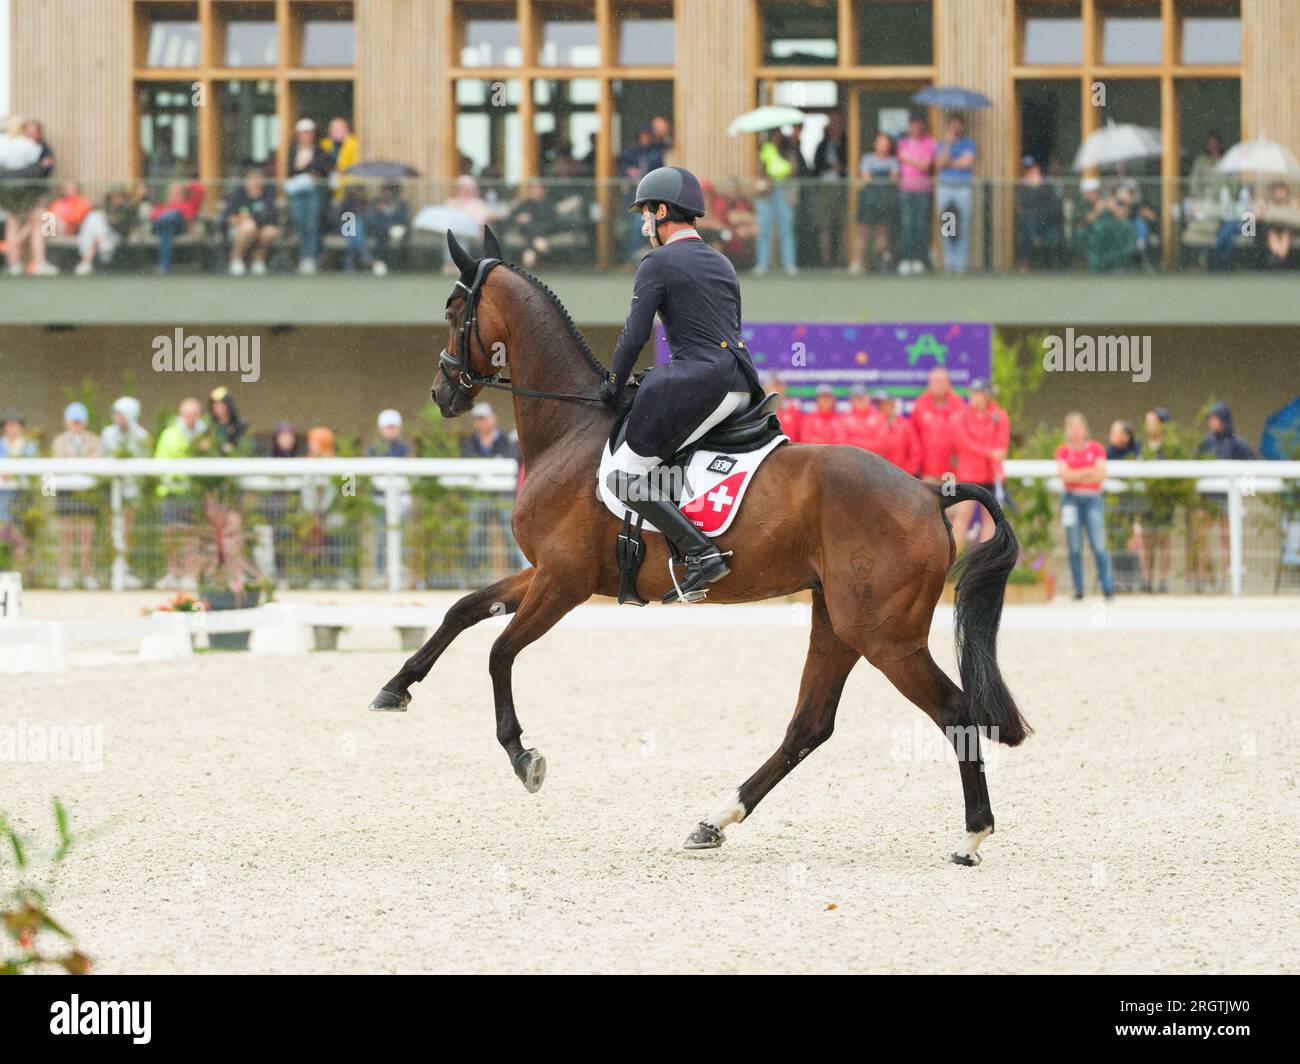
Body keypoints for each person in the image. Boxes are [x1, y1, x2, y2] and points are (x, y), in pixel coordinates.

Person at [600, 165, 763, 603]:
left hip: (701, 381)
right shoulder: (721, 262)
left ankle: (701, 554)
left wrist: (613, 385)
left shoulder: (657, 262)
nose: (642, 223)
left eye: (645, 214)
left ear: (662, 210)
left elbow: (634, 335)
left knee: (622, 474)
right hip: (743, 382)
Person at [1055, 412, 1114, 600]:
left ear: (1085, 429)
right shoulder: (1063, 451)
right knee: (1074, 546)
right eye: (1071, 428)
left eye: (1078, 427)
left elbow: (1101, 474)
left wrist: (1077, 473)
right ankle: (1078, 589)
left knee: (1098, 544)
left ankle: (1107, 587)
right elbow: (1065, 476)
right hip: (1070, 500)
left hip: (1092, 499)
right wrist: (1088, 471)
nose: (1075, 432)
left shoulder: (1096, 449)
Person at [153, 398, 205, 590]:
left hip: (194, 493)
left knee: (192, 535)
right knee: (172, 534)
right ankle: (173, 572)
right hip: (172, 492)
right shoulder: (169, 435)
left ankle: (191, 574)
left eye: (193, 414)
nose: (190, 418)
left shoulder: (205, 434)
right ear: (181, 414)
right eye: (187, 414)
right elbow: (160, 460)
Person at [100, 396, 152, 589]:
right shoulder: (107, 434)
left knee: (127, 531)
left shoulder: (141, 436)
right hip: (111, 491)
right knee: (112, 530)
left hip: (131, 492)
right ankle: (113, 570)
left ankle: (125, 569)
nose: (117, 417)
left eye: (121, 414)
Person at [951, 379, 1009, 549]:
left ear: (986, 396)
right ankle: (952, 563)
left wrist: (990, 453)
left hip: (991, 475)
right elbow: (963, 443)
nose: (973, 396)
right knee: (961, 518)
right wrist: (989, 452)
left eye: (976, 393)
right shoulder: (961, 416)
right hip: (967, 474)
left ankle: (982, 564)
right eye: (972, 392)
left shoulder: (999, 415)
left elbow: (1001, 448)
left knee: (990, 520)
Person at [51, 402, 103, 590]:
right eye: (73, 421)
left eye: (79, 421)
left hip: (87, 492)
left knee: (86, 536)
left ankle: (87, 573)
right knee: (66, 535)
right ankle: (65, 574)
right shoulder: (59, 441)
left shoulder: (94, 440)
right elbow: (60, 462)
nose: (76, 425)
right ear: (66, 422)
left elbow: (96, 462)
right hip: (66, 491)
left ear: (85, 422)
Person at [367, 408, 412, 586]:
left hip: (401, 500)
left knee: (401, 537)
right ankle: (381, 574)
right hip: (380, 500)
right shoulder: (374, 448)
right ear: (381, 429)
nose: (391, 430)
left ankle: (398, 571)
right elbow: (372, 476)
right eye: (388, 427)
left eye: (393, 427)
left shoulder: (404, 449)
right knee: (380, 538)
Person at [286, 117, 333, 274]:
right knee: (300, 223)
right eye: (303, 133)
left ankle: (309, 258)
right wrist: (305, 168)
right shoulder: (293, 150)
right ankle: (302, 256)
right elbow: (291, 171)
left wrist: (311, 170)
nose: (306, 136)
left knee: (312, 224)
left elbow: (324, 169)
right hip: (297, 193)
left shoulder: (320, 150)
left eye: (308, 133)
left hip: (313, 192)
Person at [851, 132, 899, 274]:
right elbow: (866, 178)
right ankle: (856, 263)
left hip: (885, 201)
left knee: (882, 232)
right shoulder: (867, 159)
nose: (884, 146)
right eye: (881, 142)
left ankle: (878, 263)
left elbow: (894, 179)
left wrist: (880, 181)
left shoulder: (893, 161)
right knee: (862, 233)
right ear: (875, 144)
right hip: (869, 200)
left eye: (886, 143)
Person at [934, 114, 976, 273]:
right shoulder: (942, 144)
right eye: (953, 124)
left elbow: (965, 164)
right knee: (947, 225)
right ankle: (949, 263)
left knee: (963, 225)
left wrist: (949, 163)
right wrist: (947, 146)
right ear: (948, 126)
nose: (956, 127)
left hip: (963, 188)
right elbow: (939, 164)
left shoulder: (969, 144)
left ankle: (960, 264)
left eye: (959, 124)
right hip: (945, 188)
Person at [909, 366, 965, 482]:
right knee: (929, 500)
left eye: (941, 381)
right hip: (928, 471)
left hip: (952, 471)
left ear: (948, 383)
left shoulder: (958, 404)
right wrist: (916, 464)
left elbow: (964, 435)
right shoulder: (920, 404)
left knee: (951, 499)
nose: (938, 385)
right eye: (934, 382)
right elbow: (913, 437)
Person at [896, 113, 936, 275]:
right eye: (913, 124)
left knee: (921, 226)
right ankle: (907, 259)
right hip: (906, 190)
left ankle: (920, 259)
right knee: (907, 226)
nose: (916, 127)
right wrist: (916, 160)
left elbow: (925, 166)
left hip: (923, 191)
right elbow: (904, 158)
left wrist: (910, 159)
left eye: (919, 124)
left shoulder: (930, 143)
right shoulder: (903, 142)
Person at [754, 129, 798, 276]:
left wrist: (780, 171)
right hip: (767, 194)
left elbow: (793, 170)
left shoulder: (788, 153)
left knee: (786, 229)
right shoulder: (763, 152)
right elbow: (759, 172)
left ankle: (789, 263)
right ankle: (762, 263)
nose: (776, 139)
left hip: (784, 192)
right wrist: (767, 177)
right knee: (764, 229)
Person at [225, 167, 280, 276]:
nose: (256, 181)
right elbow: (228, 218)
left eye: (259, 178)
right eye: (252, 179)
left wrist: (257, 221)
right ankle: (236, 260)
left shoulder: (268, 194)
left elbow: (273, 217)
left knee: (270, 231)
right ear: (246, 180)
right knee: (249, 227)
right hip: (239, 230)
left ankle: (258, 261)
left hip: (262, 227)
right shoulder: (238, 194)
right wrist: (243, 219)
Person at [810, 113, 848, 267]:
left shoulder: (846, 142)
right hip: (825, 188)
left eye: (837, 122)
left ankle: (842, 259)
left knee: (842, 224)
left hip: (842, 187)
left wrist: (842, 167)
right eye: (832, 123)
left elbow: (848, 162)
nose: (835, 126)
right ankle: (826, 260)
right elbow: (816, 167)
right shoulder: (822, 144)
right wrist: (829, 166)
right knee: (824, 225)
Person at [0, 409, 37, 567]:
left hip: (22, 494)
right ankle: (19, 544)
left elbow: (33, 469)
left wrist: (13, 474)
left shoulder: (29, 446)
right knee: (5, 524)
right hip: (2, 493)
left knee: (13, 525)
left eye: (15, 425)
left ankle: (21, 562)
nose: (12, 428)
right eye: (9, 425)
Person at [75, 187, 138, 275]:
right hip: (103, 237)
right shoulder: (107, 207)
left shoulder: (127, 209)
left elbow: (125, 228)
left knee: (95, 220)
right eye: (114, 197)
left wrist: (111, 220)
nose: (116, 199)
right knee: (93, 217)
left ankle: (86, 262)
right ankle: (100, 245)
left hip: (118, 235)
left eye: (120, 197)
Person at [1015, 156, 1062, 271]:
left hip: (1044, 219)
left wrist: (1038, 188)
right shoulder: (1022, 186)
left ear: (1037, 169)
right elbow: (1024, 203)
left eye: (1031, 169)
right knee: (1027, 220)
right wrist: (1031, 188)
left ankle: (1035, 238)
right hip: (1030, 217)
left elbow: (1051, 205)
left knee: (1031, 220)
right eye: (1026, 169)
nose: (1029, 172)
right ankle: (1035, 238)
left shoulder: (1046, 185)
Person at [149, 180, 205, 274]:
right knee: (167, 226)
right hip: (162, 227)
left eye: (175, 192)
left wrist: (186, 183)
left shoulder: (188, 205)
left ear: (182, 194)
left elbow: (199, 189)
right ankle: (164, 266)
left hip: (179, 227)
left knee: (171, 218)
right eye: (171, 192)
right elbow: (152, 216)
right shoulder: (164, 206)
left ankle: (163, 266)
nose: (172, 194)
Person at [871, 391, 920, 475]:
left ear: (893, 404)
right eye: (878, 405)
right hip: (880, 476)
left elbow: (915, 451)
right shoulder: (873, 425)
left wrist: (907, 472)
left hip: (903, 475)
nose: (881, 407)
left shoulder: (905, 425)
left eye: (885, 404)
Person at [841, 384, 886, 452]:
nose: (859, 400)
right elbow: (843, 445)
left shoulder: (880, 417)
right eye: (855, 397)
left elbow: (881, 444)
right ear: (851, 399)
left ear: (868, 397)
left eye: (861, 397)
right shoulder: (843, 419)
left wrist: (855, 441)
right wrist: (869, 441)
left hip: (875, 460)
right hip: (851, 461)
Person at [204, 387, 247, 456]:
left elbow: (244, 447)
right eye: (214, 404)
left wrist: (232, 447)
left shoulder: (239, 424)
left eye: (220, 404)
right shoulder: (209, 424)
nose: (216, 407)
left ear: (228, 405)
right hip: (214, 462)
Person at [764, 374, 803, 443]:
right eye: (773, 386)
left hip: (791, 451)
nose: (777, 389)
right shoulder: (760, 410)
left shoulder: (794, 410)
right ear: (766, 388)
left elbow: (801, 436)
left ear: (784, 388)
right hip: (768, 451)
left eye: (779, 385)